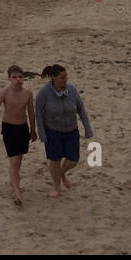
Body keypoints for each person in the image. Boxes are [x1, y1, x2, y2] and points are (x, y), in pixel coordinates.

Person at [34, 64, 93, 197]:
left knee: (73, 160)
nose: (65, 80)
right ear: (53, 78)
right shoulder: (44, 93)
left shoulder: (72, 90)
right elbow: (38, 113)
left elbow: (81, 109)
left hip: (71, 130)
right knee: (55, 160)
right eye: (62, 78)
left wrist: (87, 127)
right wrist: (41, 133)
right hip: (53, 131)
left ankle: (61, 173)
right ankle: (56, 187)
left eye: (66, 77)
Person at [0, 64, 38, 206]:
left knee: (19, 160)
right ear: (9, 79)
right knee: (15, 160)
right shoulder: (4, 92)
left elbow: (31, 113)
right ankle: (17, 193)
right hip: (9, 128)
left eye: (20, 77)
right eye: (14, 77)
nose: (18, 79)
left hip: (22, 128)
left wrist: (33, 130)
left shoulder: (28, 94)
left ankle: (14, 183)